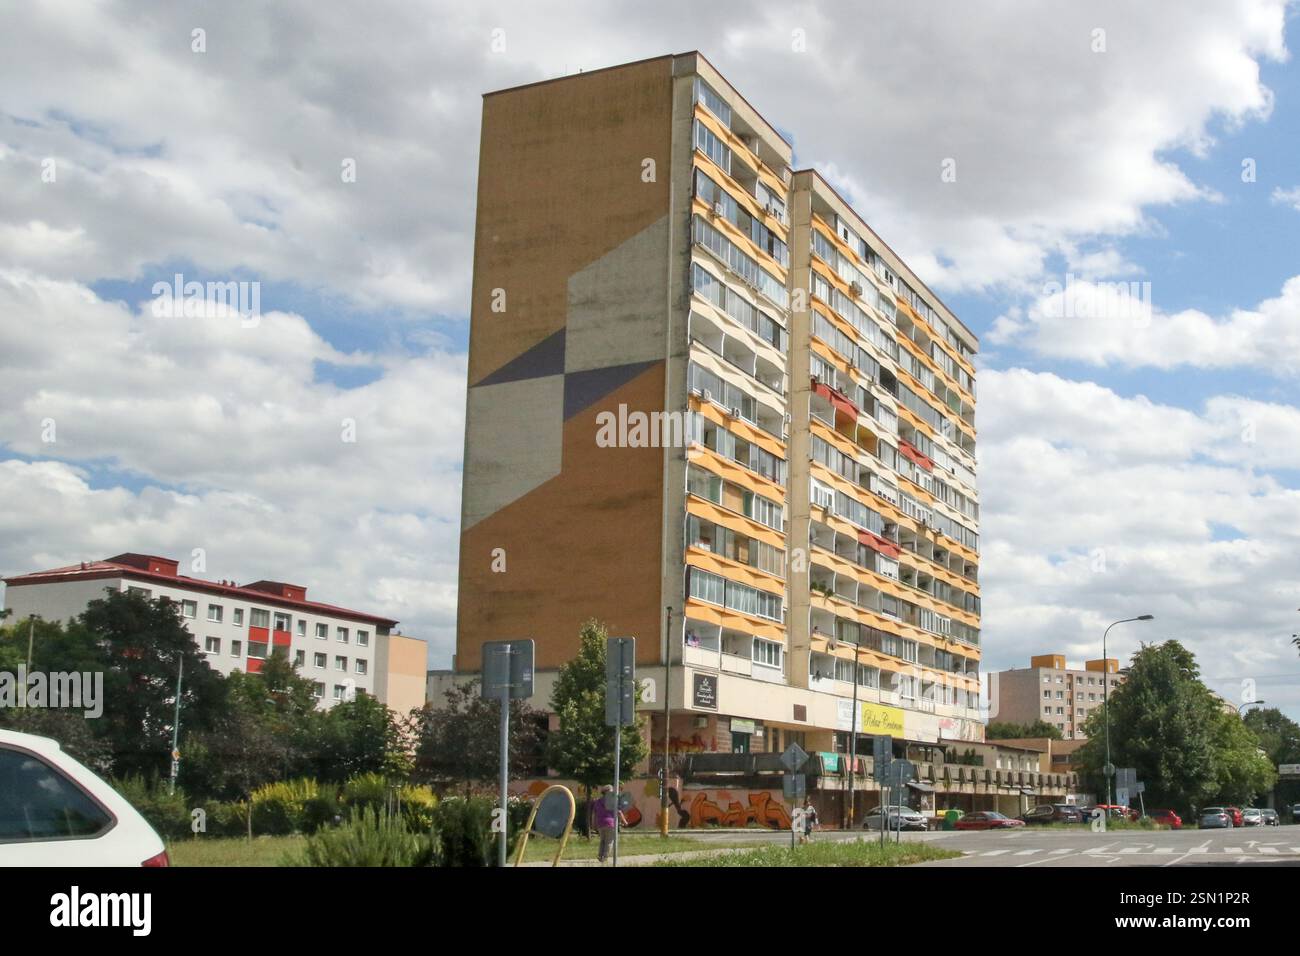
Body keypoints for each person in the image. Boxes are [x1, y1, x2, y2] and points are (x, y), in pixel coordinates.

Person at [593, 784, 629, 862]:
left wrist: (594, 824)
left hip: (600, 823)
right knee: (609, 841)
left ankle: (600, 856)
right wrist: (625, 822)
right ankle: (604, 858)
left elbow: (595, 814)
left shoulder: (597, 801)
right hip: (610, 824)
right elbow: (619, 812)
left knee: (602, 841)